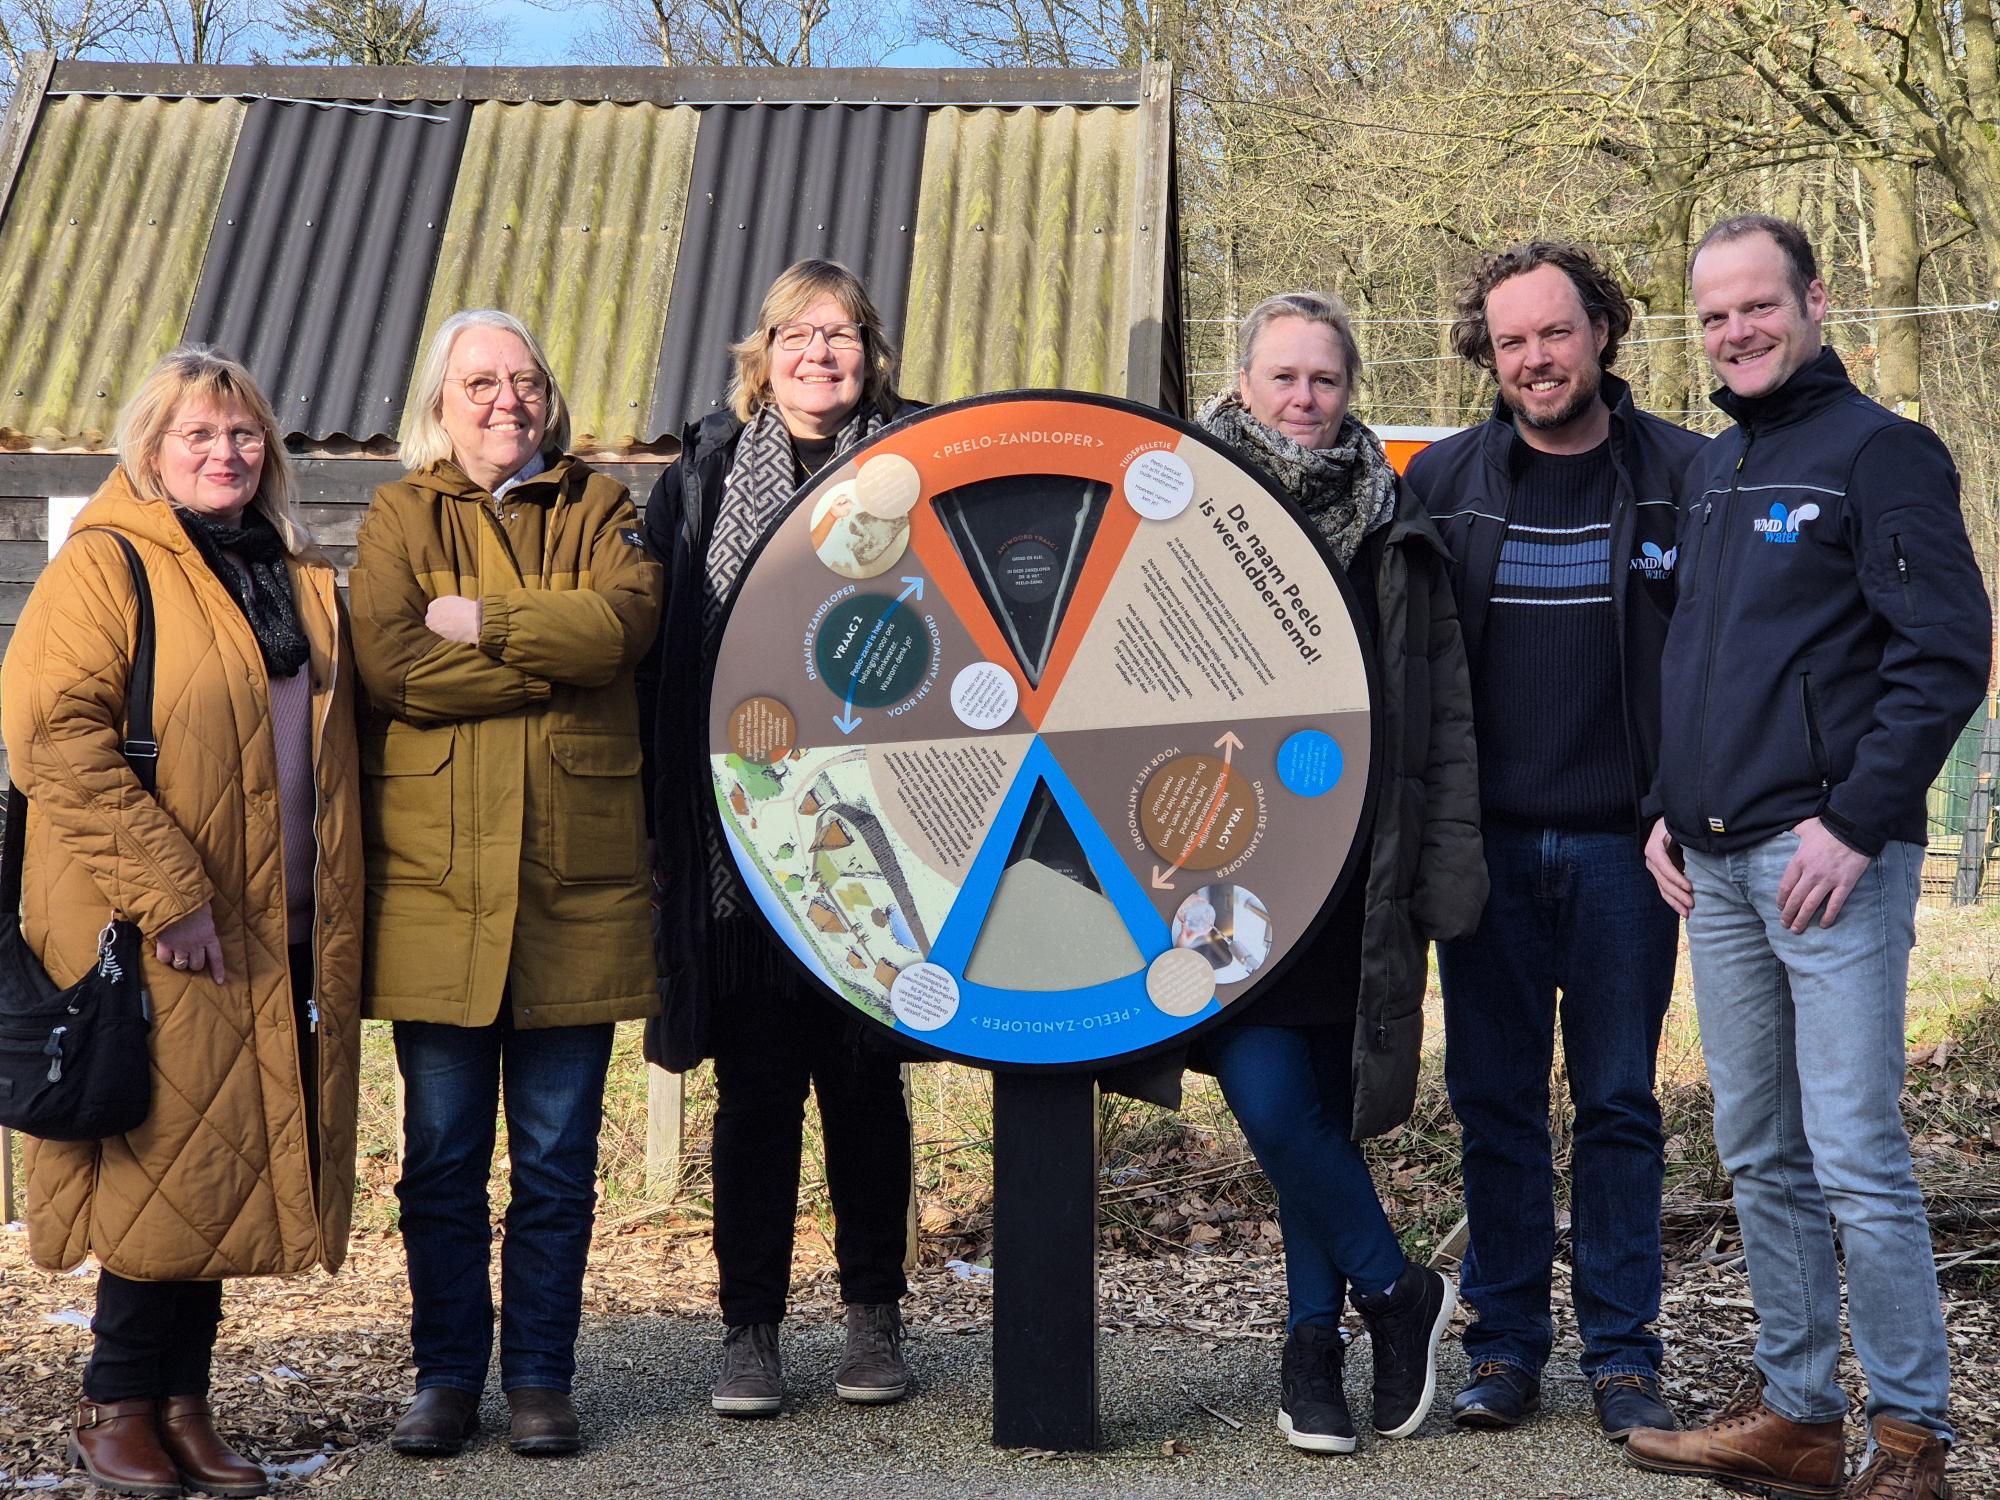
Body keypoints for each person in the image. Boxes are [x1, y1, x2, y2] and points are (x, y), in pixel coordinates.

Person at [1626, 215, 1987, 1500]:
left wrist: (1856, 819)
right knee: (1758, 1151)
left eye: (1755, 306)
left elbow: (1942, 651)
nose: (1734, 330)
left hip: (1822, 858)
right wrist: (1669, 801)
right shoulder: (1715, 470)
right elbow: (1700, 663)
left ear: (1812, 300)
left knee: (1851, 1155)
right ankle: (1795, 1419)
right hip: (1713, 867)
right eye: (1713, 314)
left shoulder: (1881, 455)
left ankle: (1907, 1439)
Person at [1, 346, 363, 1499]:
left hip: (274, 926)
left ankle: (184, 1408)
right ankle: (115, 1406)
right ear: (149, 451)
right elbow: (53, 734)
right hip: (155, 926)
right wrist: (173, 892)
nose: (226, 453)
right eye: (198, 436)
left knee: (213, 1172)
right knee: (158, 1166)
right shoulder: (108, 564)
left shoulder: (289, 574)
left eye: (244, 433)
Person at [349, 309, 662, 1459]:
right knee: (437, 1163)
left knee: (556, 1164)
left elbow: (621, 630)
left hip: (572, 888)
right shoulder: (399, 511)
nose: (504, 401)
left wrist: (478, 624)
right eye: (479, 382)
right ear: (440, 397)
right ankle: (443, 1378)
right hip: (434, 888)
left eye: (523, 381)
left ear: (549, 397)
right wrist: (548, 667)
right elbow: (389, 663)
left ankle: (538, 1378)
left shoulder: (599, 505)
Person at [1405, 243, 1705, 1440]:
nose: (1535, 357)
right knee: (1493, 1105)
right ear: (1488, 350)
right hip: (1481, 850)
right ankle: (1505, 1346)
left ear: (1601, 333)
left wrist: (1686, 797)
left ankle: (1623, 1356)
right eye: (1512, 338)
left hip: (1625, 855)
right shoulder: (1438, 481)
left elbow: (1717, 665)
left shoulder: (1689, 473)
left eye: (1556, 332)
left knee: (1622, 1105)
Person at [1190, 291, 1486, 1453]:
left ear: (1347, 390)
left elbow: (1442, 714)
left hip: (1354, 875)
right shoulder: (1183, 504)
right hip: (1216, 864)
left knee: (1319, 1113)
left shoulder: (1391, 526)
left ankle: (1310, 1343)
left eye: (1322, 380)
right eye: (1281, 378)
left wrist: (1442, 869)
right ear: (1243, 383)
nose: (1302, 400)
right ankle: (1393, 1289)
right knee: (1267, 1099)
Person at [641, 259, 921, 1417]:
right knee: (754, 1092)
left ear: (870, 352)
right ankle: (749, 1331)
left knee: (863, 1084)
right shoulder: (704, 474)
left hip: (877, 822)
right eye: (798, 333)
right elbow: (659, 648)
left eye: (842, 333)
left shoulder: (917, 462)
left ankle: (872, 1316)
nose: (820, 353)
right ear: (762, 350)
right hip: (742, 834)